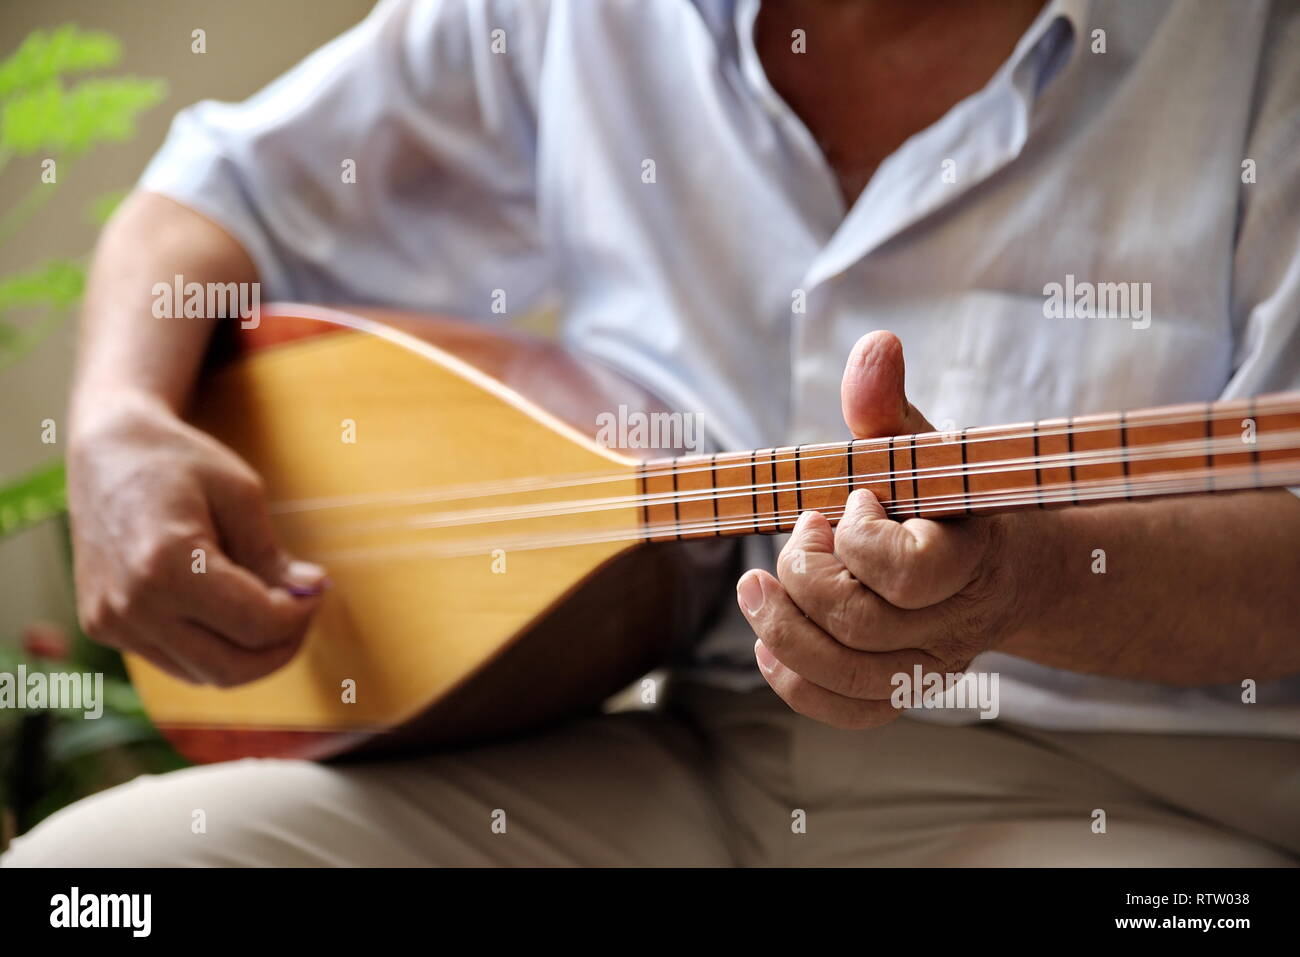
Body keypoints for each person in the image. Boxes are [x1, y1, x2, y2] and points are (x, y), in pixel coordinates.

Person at [4, 0, 1298, 867]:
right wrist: (117, 421)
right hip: (686, 755)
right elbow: (215, 192)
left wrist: (1020, 581)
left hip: (1126, 786)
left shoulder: (1254, 46)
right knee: (92, 877)